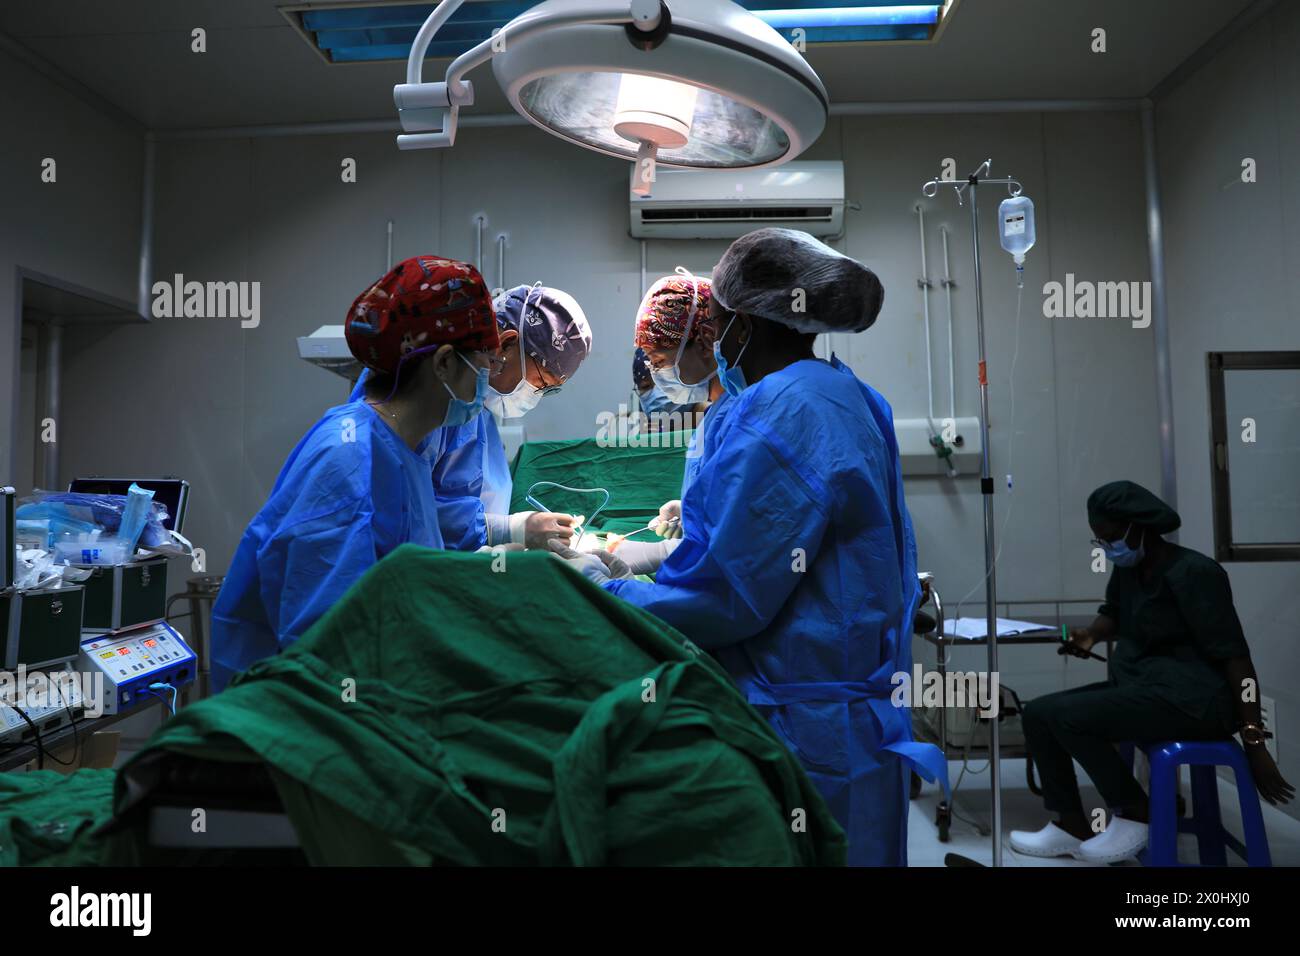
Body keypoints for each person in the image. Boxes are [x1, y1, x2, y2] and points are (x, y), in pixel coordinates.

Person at [560, 228, 947, 865]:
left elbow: (725, 595)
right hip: (853, 718)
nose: (713, 330)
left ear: (744, 322)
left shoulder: (775, 412)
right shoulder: (849, 394)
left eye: (717, 317)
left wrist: (604, 590)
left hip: (804, 729)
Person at [211, 255, 499, 691]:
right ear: (443, 364)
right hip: (292, 725)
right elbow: (324, 649)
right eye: (485, 361)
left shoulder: (409, 452)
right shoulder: (347, 459)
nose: (488, 376)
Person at [1011, 480, 1294, 863]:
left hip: (1195, 701)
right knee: (1039, 713)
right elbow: (1113, 613)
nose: (1108, 548)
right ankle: (1070, 823)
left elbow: (1236, 658)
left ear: (1139, 526)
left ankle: (1136, 813)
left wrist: (1253, 739)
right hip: (1147, 688)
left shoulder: (1193, 573)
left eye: (1111, 537)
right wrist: (1090, 636)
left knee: (1070, 718)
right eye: (1100, 541)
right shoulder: (1132, 569)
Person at [350, 283, 593, 553]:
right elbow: (405, 517)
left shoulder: (469, 411)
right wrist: (507, 531)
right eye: (486, 358)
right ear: (444, 361)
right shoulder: (378, 432)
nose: (490, 367)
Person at [433, 283, 594, 551]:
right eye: (539, 382)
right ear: (506, 344)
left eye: (548, 390)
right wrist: (512, 529)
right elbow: (409, 512)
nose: (536, 395)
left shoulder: (476, 408)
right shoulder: (440, 402)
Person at [608, 272, 731, 574]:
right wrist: (692, 516)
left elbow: (746, 535)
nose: (657, 375)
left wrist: (663, 553)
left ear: (704, 343)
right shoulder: (718, 416)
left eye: (659, 362)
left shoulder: (743, 417)